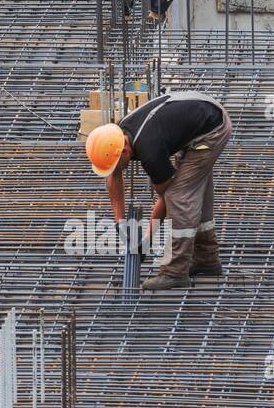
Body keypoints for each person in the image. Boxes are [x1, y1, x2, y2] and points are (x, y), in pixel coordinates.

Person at [86, 91, 233, 290]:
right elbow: (113, 175)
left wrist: (147, 239)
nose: (115, 169)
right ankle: (207, 259)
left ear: (125, 151)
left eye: (116, 163)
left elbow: (166, 197)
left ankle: (175, 272)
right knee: (194, 187)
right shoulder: (117, 135)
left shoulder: (150, 151)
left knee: (179, 197)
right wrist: (120, 224)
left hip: (212, 130)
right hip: (197, 119)